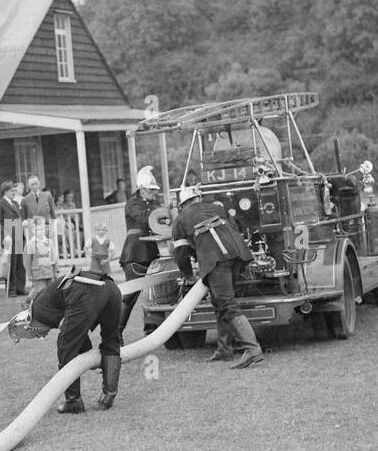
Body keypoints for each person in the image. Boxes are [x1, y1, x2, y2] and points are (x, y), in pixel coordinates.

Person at [172, 185, 263, 368]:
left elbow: (180, 253)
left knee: (226, 303)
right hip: (237, 254)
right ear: (199, 198)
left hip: (216, 259)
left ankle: (252, 349)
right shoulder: (217, 208)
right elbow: (235, 227)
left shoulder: (181, 219)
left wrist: (188, 275)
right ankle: (224, 349)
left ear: (182, 205)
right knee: (220, 301)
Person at [17, 266, 122, 414]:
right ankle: (108, 396)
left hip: (89, 291)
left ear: (30, 323)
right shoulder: (44, 301)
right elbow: (78, 333)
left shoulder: (38, 310)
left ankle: (73, 402)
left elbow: (72, 337)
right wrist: (88, 354)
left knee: (65, 346)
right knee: (111, 340)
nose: (41, 336)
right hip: (111, 287)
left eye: (36, 333)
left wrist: (87, 353)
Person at [119, 166, 162, 333]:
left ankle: (151, 327)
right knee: (130, 295)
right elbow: (145, 219)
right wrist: (159, 212)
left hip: (149, 250)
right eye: (151, 190)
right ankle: (115, 334)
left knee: (156, 291)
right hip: (136, 252)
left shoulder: (149, 203)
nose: (154, 194)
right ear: (142, 190)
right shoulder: (133, 204)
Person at [0, 181, 27, 297]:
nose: (14, 193)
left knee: (20, 263)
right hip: (9, 238)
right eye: (12, 191)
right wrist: (5, 236)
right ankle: (11, 289)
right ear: (5, 191)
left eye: (14, 190)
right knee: (10, 263)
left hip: (19, 236)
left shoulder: (15, 204)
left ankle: (20, 288)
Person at [24, 217, 59, 306]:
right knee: (40, 292)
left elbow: (54, 257)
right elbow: (27, 261)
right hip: (37, 273)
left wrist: (56, 270)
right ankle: (37, 307)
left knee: (51, 291)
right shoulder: (30, 244)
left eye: (41, 229)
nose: (40, 231)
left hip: (49, 271)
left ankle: (49, 307)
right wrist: (29, 274)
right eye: (37, 230)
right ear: (33, 231)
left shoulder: (49, 242)